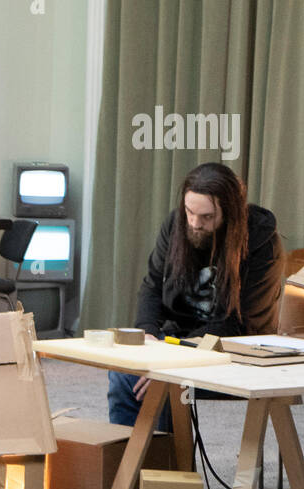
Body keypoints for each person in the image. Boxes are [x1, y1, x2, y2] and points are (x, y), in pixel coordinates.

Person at [108, 162, 284, 428]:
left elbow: (237, 325)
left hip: (234, 352)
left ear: (231, 214)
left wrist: (171, 362)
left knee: (164, 381)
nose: (195, 223)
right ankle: (133, 463)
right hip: (178, 341)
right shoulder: (177, 224)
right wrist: (147, 333)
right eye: (190, 212)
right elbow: (152, 286)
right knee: (125, 373)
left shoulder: (262, 242)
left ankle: (169, 467)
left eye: (207, 217)